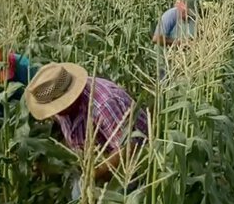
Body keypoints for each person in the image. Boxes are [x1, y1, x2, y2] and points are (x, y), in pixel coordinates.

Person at [25, 62, 148, 196]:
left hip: (133, 163)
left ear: (69, 97)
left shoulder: (103, 105)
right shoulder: (59, 100)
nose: (55, 112)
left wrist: (96, 172)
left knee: (86, 194)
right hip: (97, 157)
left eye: (57, 106)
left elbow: (127, 147)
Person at [152, 0, 199, 79]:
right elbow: (156, 39)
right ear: (180, 6)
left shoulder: (194, 19)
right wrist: (177, 43)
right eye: (186, 12)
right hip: (164, 57)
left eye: (191, 14)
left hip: (181, 60)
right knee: (164, 82)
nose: (187, 16)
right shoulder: (170, 15)